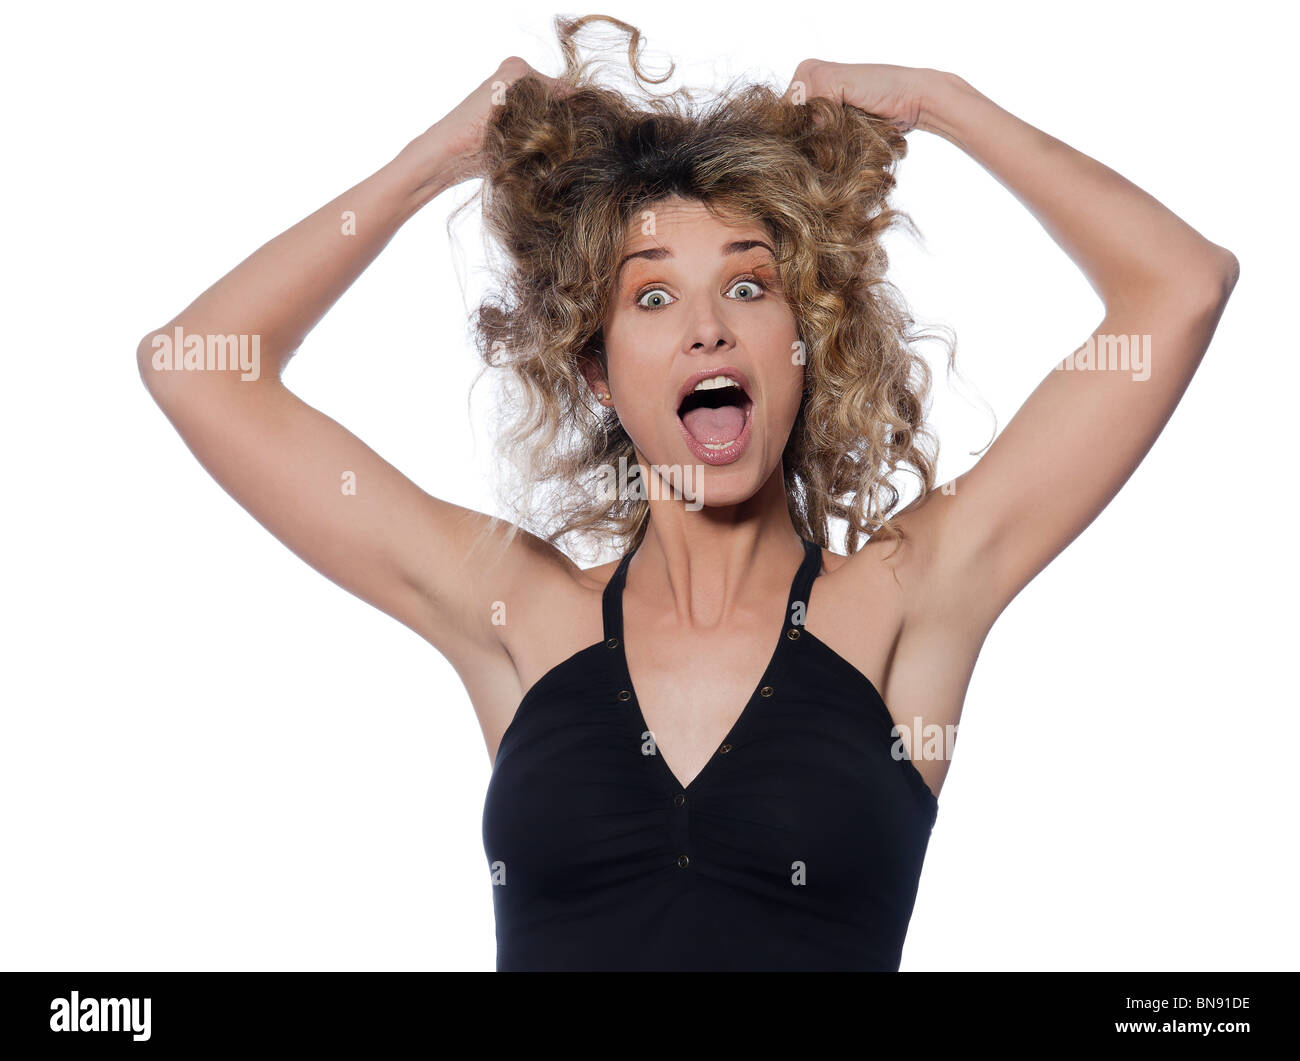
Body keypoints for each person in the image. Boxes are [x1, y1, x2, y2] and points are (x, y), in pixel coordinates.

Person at [136, 14, 1238, 970]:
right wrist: (437, 161)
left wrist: (938, 104)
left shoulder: (909, 597)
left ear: (802, 342)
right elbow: (195, 365)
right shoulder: (523, 612)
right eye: (652, 296)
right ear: (597, 369)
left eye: (748, 285)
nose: (708, 323)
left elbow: (1179, 288)